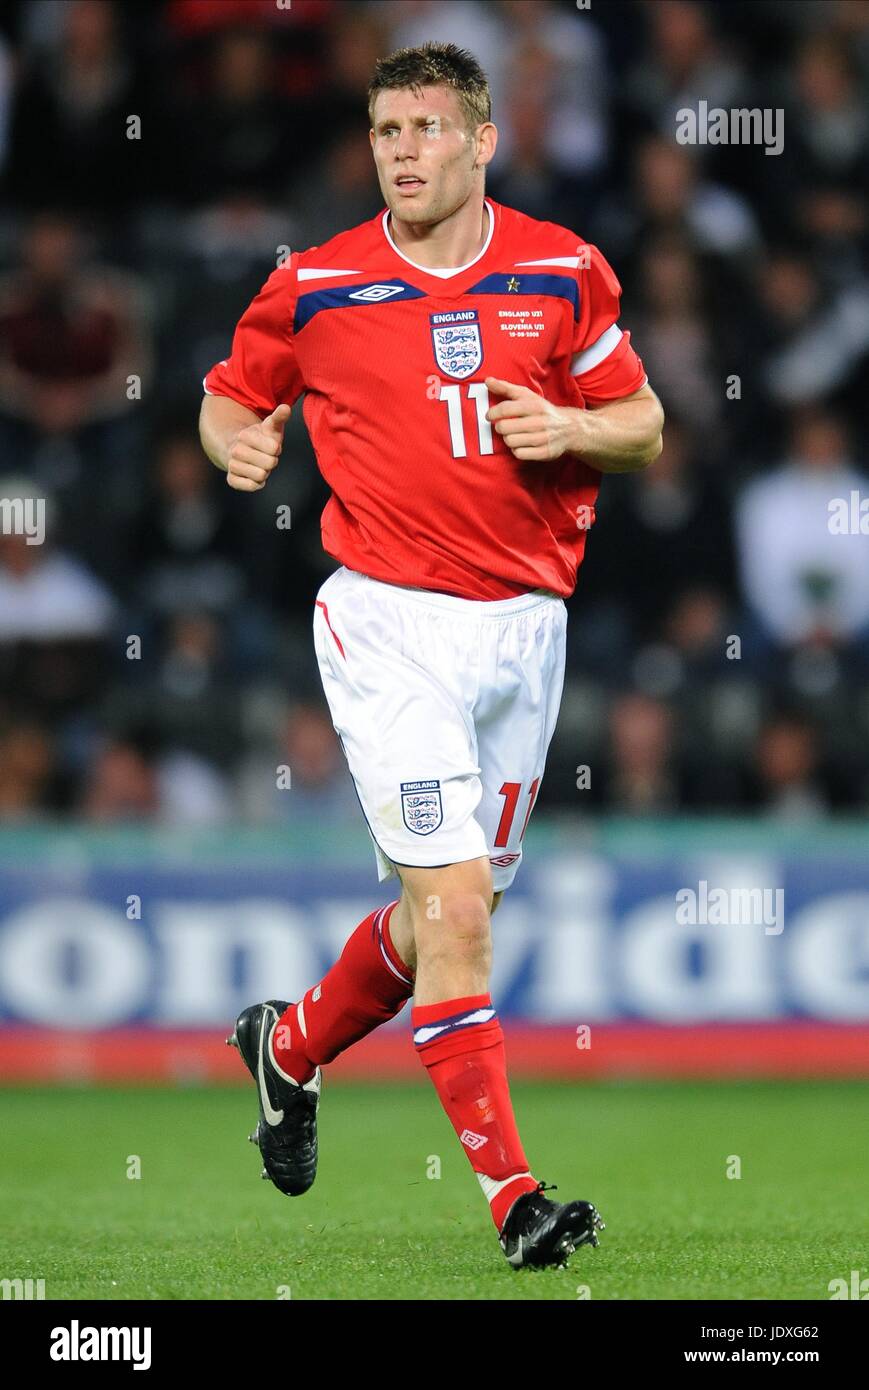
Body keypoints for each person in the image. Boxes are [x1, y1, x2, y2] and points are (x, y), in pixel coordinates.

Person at [199, 42, 663, 1271]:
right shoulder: (315, 283)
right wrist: (233, 446)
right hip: (387, 621)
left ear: (480, 141)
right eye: (384, 131)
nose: (401, 151)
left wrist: (569, 424)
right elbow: (227, 393)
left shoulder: (562, 271)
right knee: (457, 912)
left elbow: (645, 423)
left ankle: (288, 1047)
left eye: (424, 129)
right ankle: (515, 1199)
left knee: (440, 919)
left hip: (525, 630)